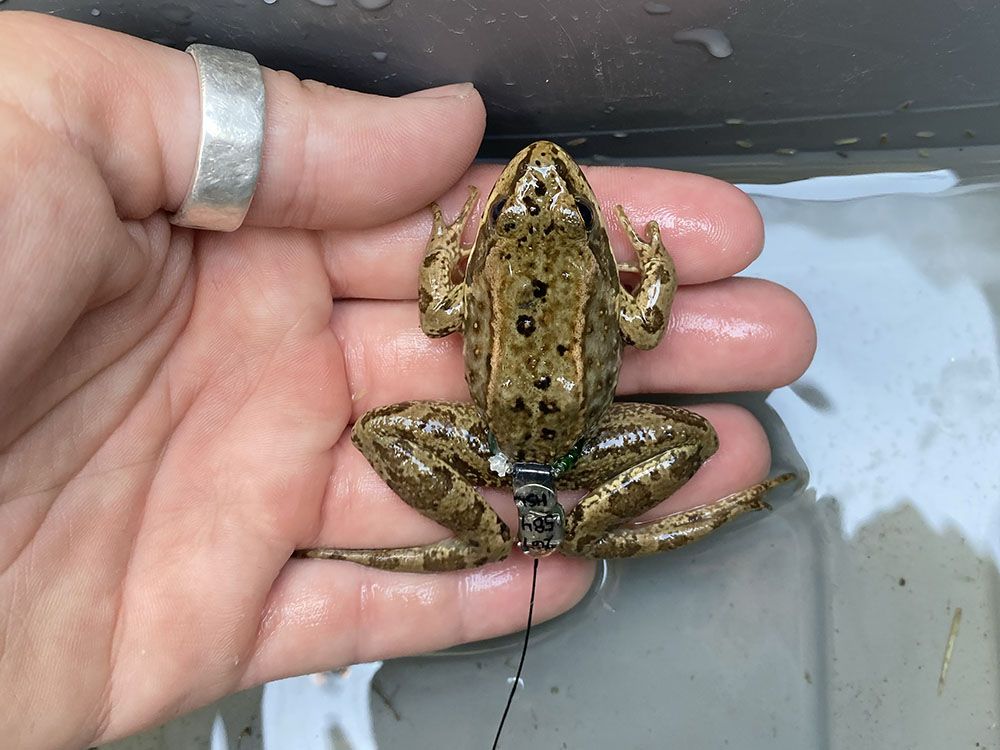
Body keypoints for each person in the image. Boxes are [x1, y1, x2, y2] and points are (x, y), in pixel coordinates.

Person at [0, 11, 816, 750]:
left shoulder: (476, 273)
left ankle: (531, 532)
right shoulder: (611, 284)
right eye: (507, 211)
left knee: (379, 432)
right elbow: (645, 325)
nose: (543, 177)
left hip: (491, 441)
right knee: (699, 439)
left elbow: (436, 312)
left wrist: (447, 241)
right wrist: (655, 268)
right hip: (582, 443)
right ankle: (586, 527)